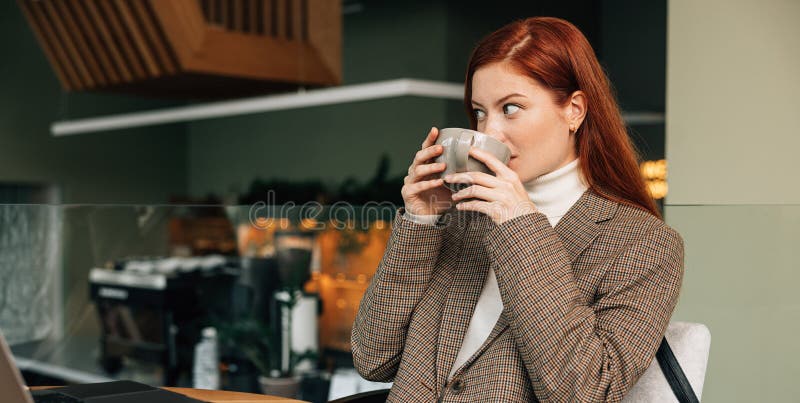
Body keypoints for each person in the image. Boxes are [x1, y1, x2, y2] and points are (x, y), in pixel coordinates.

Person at [351, 16, 683, 402]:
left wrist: (519, 225)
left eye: (510, 108)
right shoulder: (459, 215)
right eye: (479, 112)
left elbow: (585, 392)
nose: (489, 133)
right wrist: (421, 221)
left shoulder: (644, 243)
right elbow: (373, 358)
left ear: (574, 110)